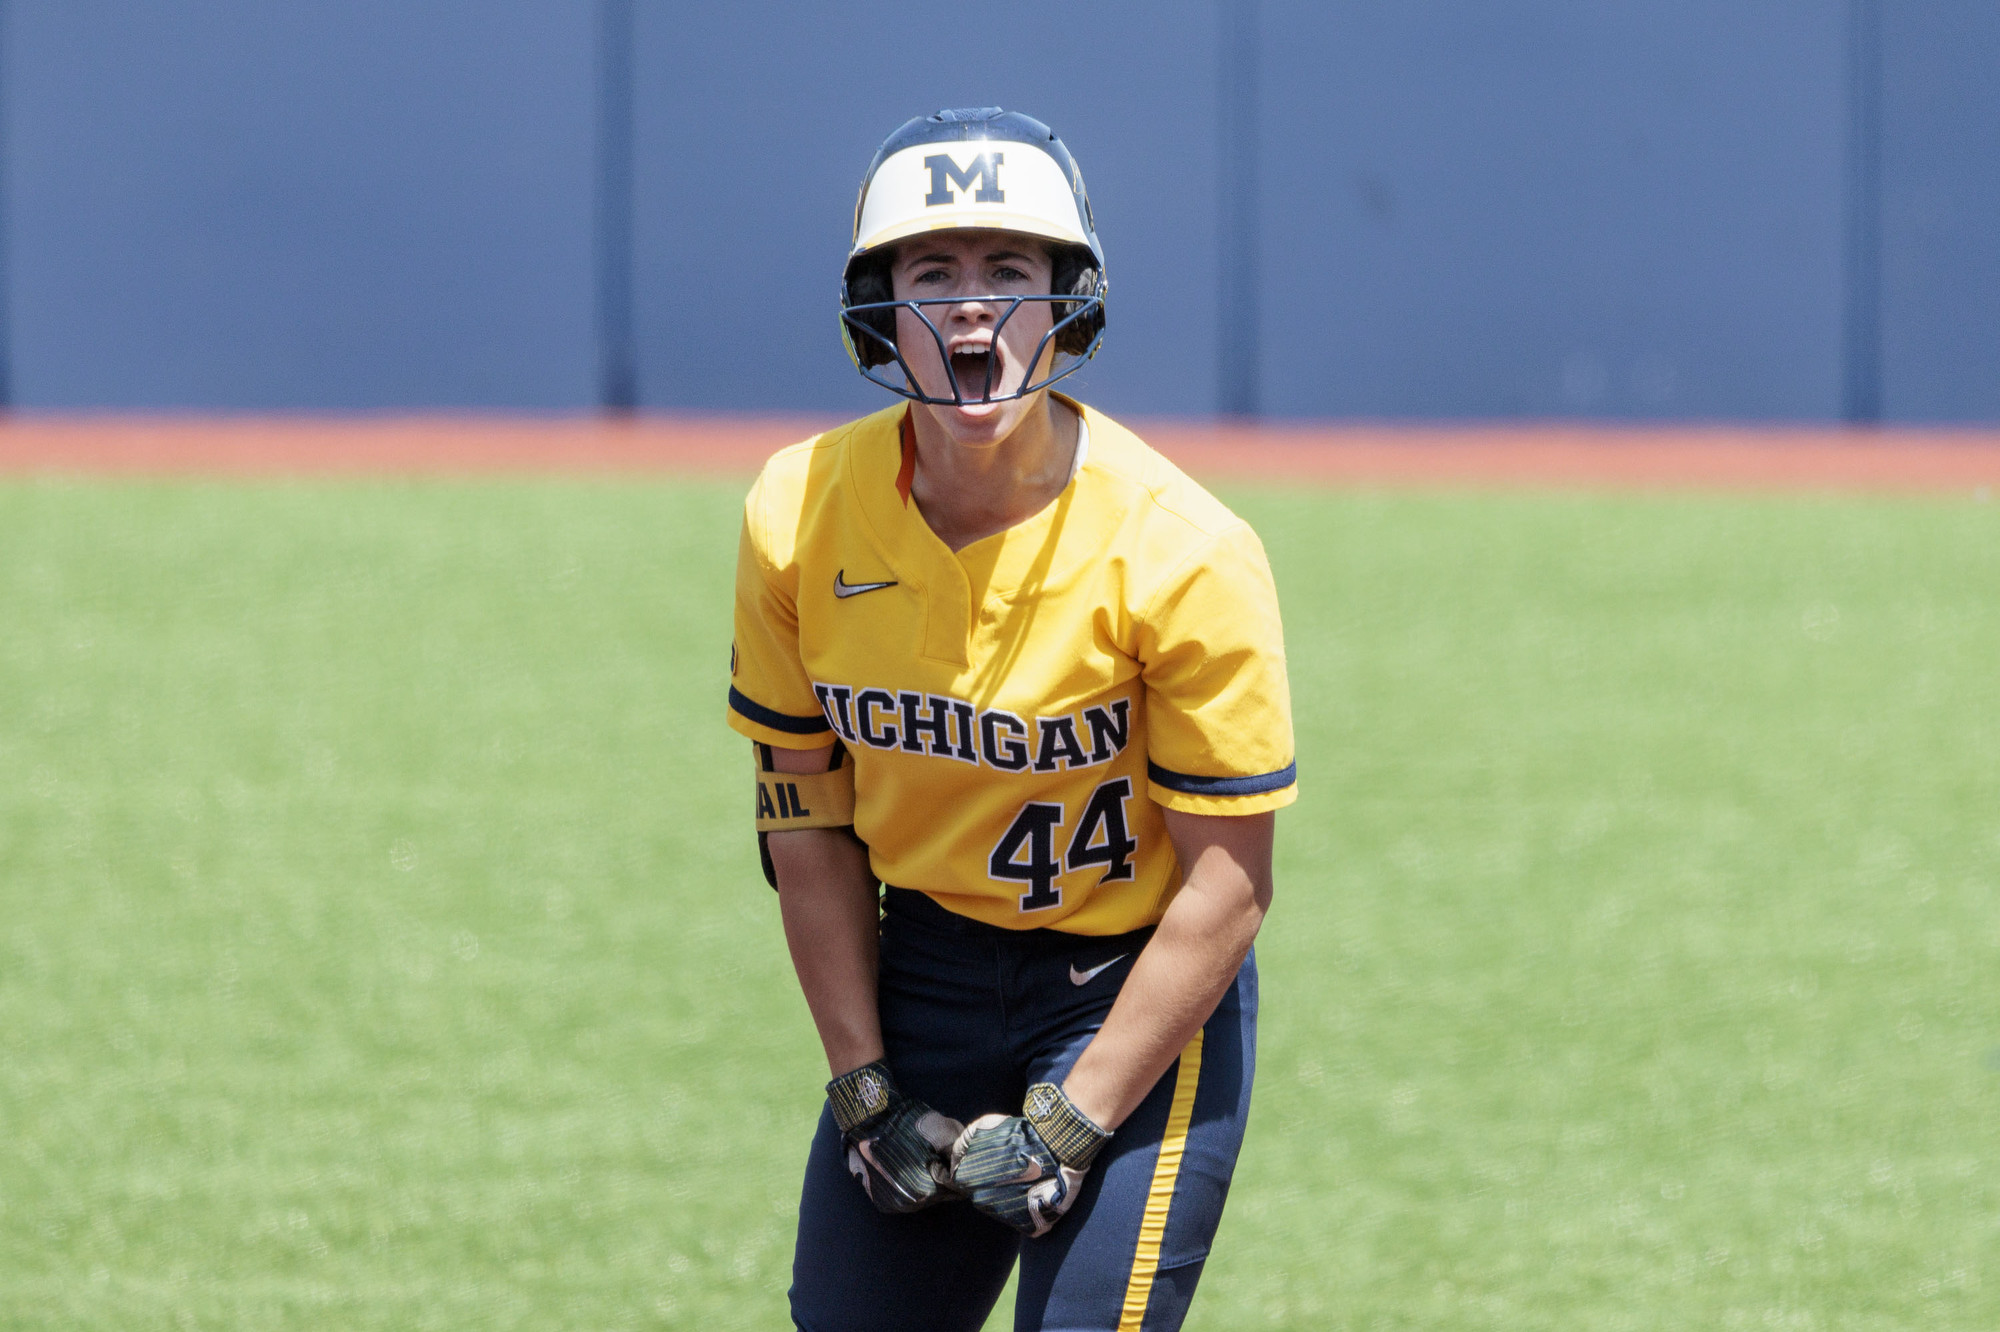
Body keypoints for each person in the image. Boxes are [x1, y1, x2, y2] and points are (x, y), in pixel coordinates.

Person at [725, 107, 1296, 1332]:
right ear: (879, 307)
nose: (971, 309)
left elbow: (1228, 887)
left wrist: (1073, 1121)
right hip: (922, 967)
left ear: (1066, 300)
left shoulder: (1185, 550)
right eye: (931, 273)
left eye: (1007, 271)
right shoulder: (795, 513)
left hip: (1127, 980)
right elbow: (804, 821)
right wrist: (862, 1085)